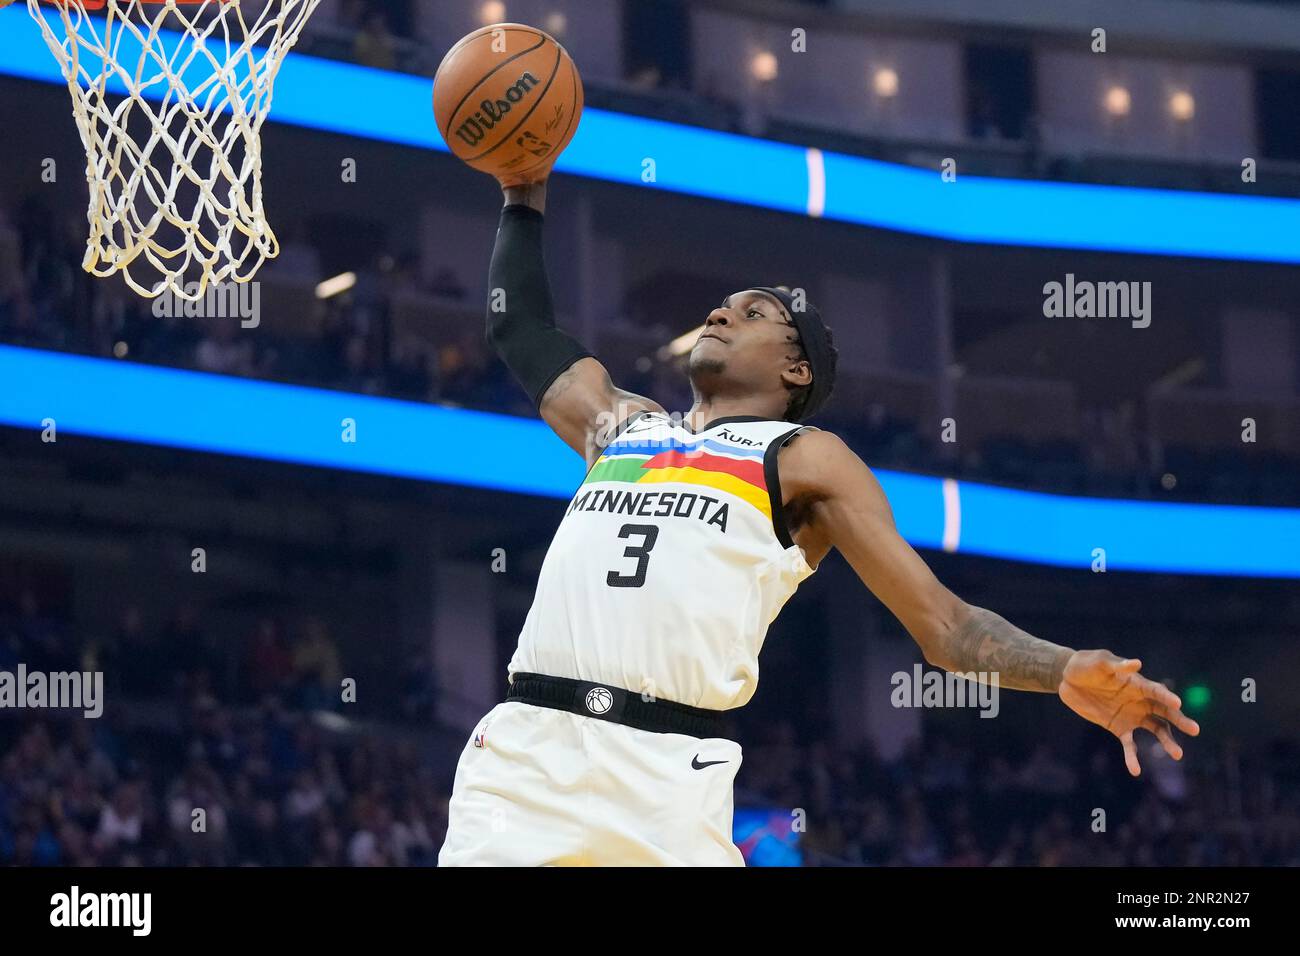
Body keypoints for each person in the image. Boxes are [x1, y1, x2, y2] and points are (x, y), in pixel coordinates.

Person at [438, 166, 1199, 867]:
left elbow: (947, 628)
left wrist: (1062, 666)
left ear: (796, 369)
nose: (721, 311)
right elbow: (522, 330)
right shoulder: (624, 427)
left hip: (666, 775)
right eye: (723, 306)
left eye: (754, 312)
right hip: (527, 758)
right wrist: (523, 189)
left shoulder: (803, 457)